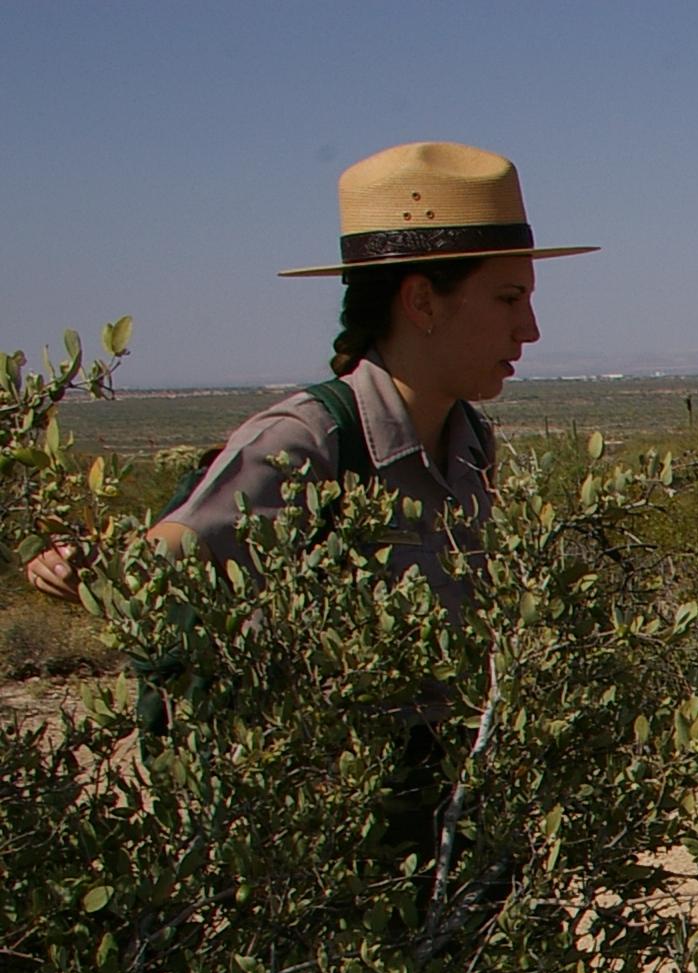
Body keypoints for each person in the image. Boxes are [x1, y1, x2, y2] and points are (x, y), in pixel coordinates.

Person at [23, 141, 592, 619]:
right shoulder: (301, 442)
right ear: (422, 301)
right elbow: (148, 570)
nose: (530, 330)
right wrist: (75, 566)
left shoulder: (469, 441)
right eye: (509, 299)